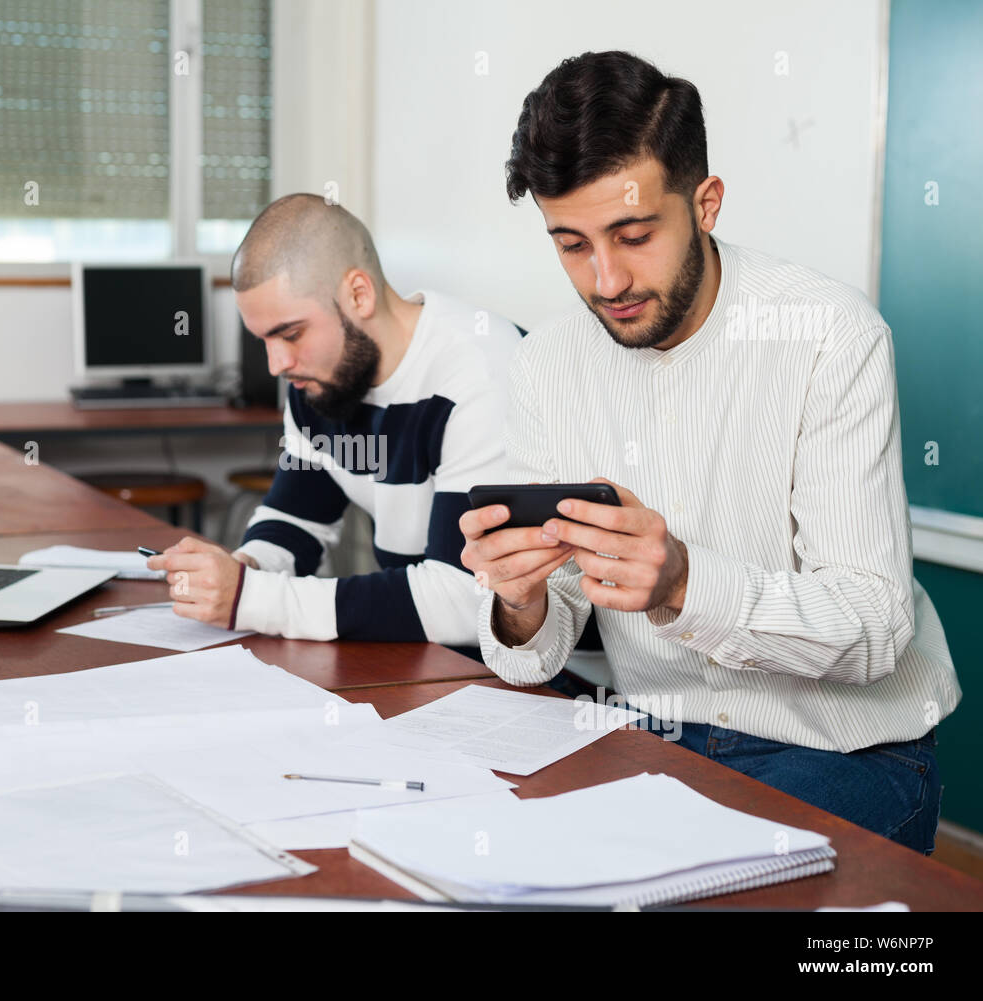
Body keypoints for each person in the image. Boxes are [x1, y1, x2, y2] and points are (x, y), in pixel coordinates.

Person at [459, 50, 961, 853]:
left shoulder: (832, 336)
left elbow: (875, 625)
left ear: (706, 203)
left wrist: (687, 581)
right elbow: (536, 650)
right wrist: (520, 604)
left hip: (845, 748)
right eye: (571, 245)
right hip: (652, 734)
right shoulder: (548, 363)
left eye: (633, 234)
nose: (607, 279)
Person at [148, 194, 522, 653]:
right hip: (425, 651)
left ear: (358, 294)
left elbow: (471, 599)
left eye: (290, 333)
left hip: (533, 669)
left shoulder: (484, 369)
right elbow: (296, 520)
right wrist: (243, 569)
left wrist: (253, 598)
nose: (277, 364)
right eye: (263, 340)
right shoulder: (319, 381)